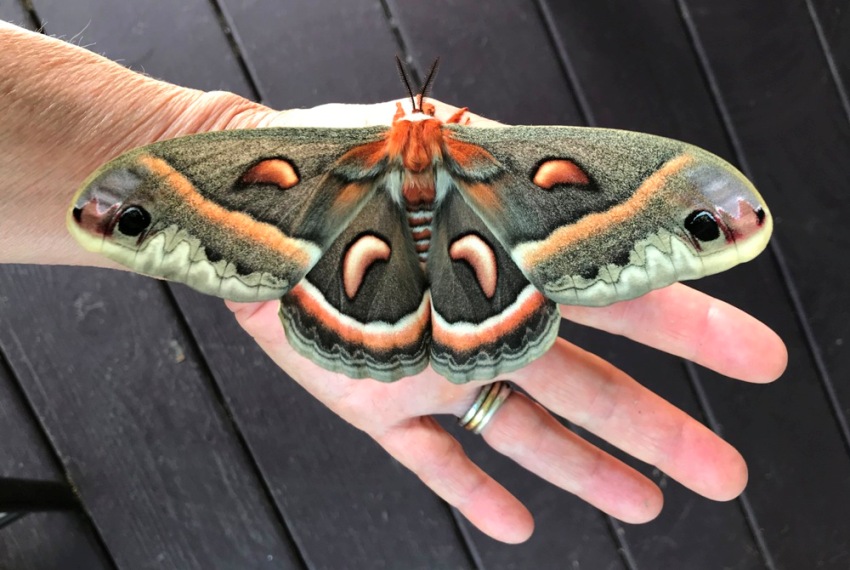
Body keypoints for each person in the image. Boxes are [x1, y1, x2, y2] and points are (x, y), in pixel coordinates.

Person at [0, 21, 787, 544]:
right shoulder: (468, 150)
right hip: (467, 261)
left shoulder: (351, 155)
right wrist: (188, 152)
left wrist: (694, 201)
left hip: (357, 253)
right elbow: (130, 196)